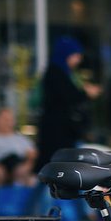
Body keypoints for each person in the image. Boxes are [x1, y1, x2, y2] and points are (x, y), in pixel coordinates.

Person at [35, 35, 100, 170]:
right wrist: (86, 93)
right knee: (57, 169)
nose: (78, 59)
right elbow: (68, 96)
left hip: (61, 131)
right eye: (75, 55)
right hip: (57, 133)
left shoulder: (63, 73)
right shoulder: (56, 73)